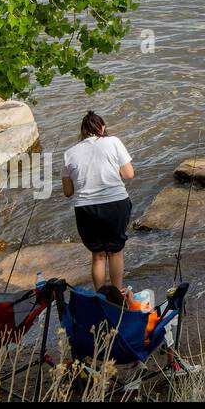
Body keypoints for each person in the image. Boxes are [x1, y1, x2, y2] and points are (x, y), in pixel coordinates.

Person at [61, 111, 134, 295]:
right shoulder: (113, 141)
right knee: (115, 252)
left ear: (83, 132)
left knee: (98, 255)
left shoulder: (69, 153)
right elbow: (128, 174)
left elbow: (68, 192)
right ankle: (117, 295)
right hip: (115, 203)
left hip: (85, 209)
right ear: (102, 128)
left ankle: (101, 297)